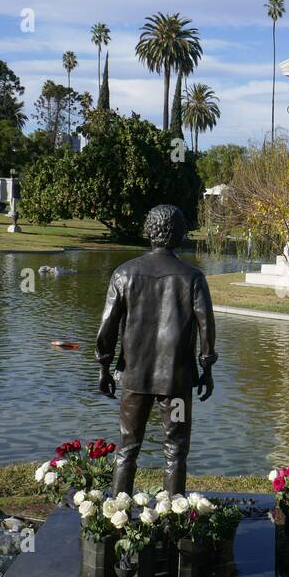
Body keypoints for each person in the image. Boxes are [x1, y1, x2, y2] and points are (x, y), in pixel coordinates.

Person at [95, 204, 217, 496]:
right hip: (176, 382)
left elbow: (107, 327)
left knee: (127, 446)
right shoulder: (192, 278)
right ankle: (173, 518)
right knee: (175, 450)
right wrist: (207, 368)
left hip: (134, 379)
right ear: (180, 234)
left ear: (149, 231)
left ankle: (116, 514)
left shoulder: (124, 274)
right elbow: (206, 329)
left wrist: (103, 367)